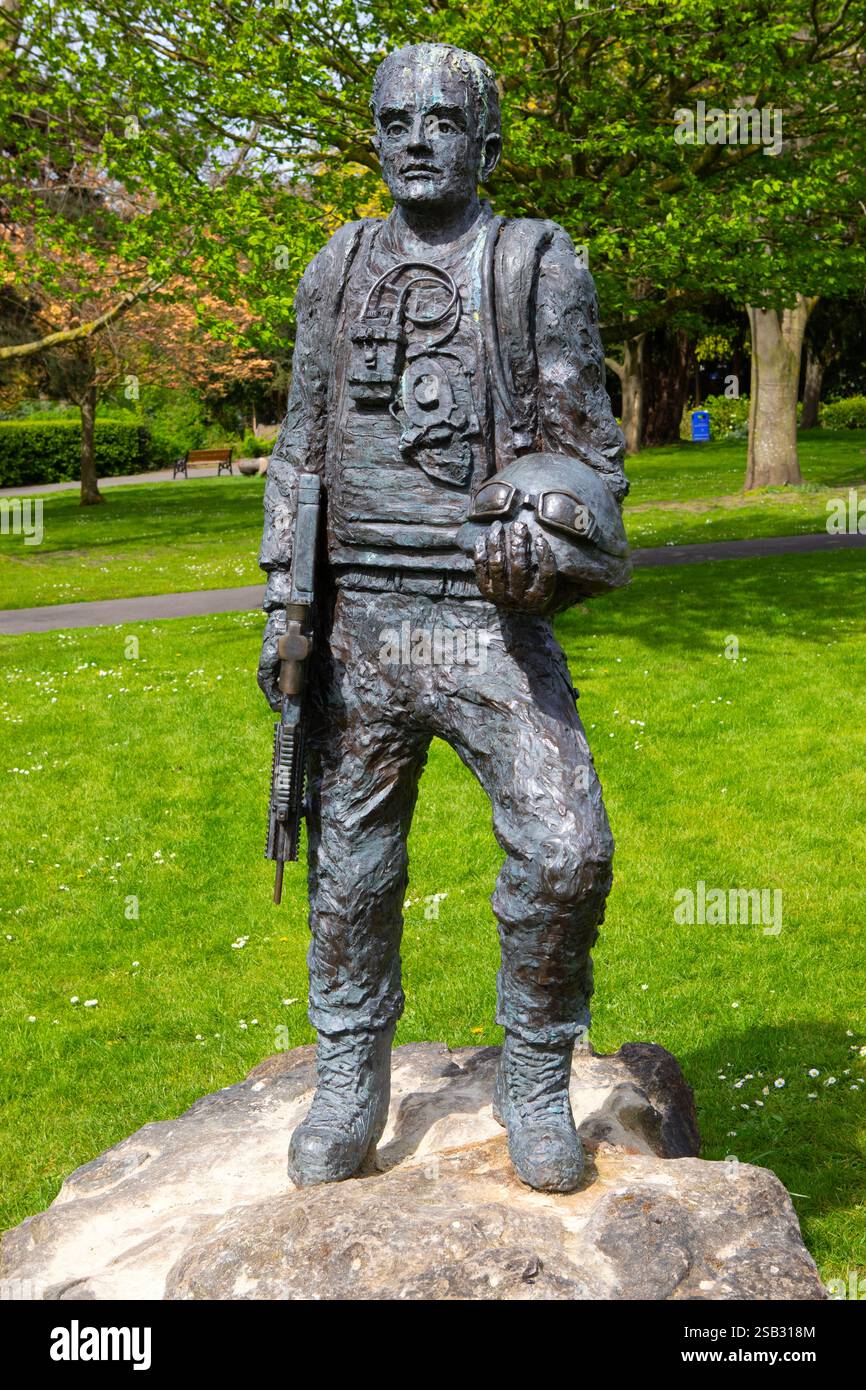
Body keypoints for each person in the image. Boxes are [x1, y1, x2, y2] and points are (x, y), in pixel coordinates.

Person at [257, 41, 629, 1193]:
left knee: (566, 850)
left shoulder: (531, 265)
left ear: (488, 144)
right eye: (394, 120)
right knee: (353, 869)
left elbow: (590, 456)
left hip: (483, 620)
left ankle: (532, 1070)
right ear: (373, 138)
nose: (416, 139)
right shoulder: (335, 266)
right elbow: (300, 445)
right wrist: (286, 600)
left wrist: (549, 526)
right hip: (359, 619)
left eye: (442, 121)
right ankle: (348, 1076)